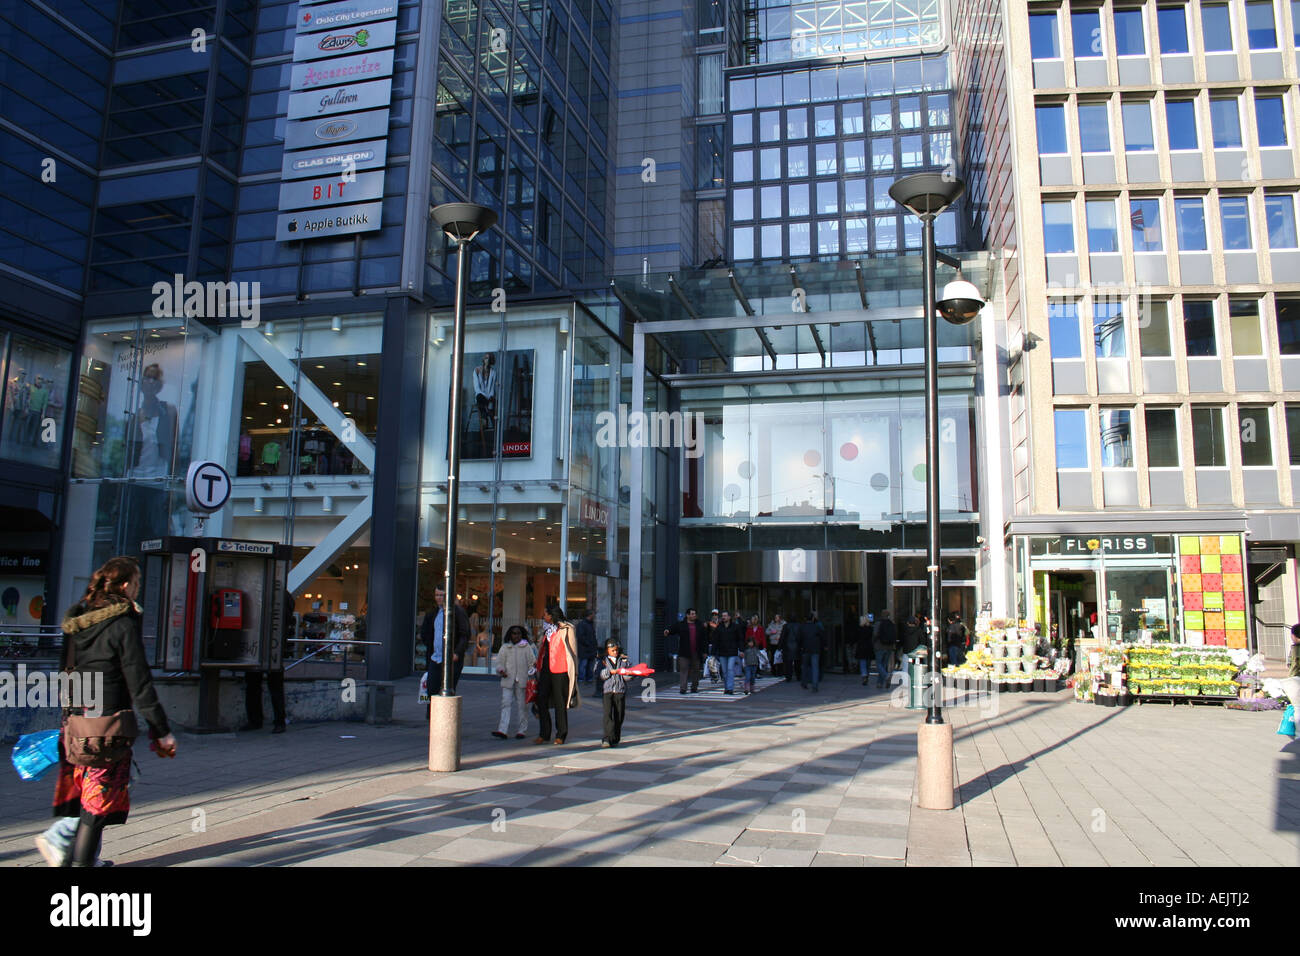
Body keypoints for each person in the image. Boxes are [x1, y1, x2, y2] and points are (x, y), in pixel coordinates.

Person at [46, 556, 177, 867]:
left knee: (85, 794)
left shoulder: (77, 618)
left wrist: (69, 715)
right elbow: (139, 680)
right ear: (126, 585)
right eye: (138, 583)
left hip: (77, 722)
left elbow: (66, 670)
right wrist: (161, 730)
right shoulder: (123, 623)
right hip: (109, 726)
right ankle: (81, 866)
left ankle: (80, 858)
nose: (139, 589)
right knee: (97, 803)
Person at [243, 587, 292, 734]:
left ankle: (256, 719)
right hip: (273, 646)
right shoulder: (284, 596)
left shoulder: (257, 594)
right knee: (274, 686)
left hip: (258, 645)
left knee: (254, 685)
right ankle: (279, 720)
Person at [422, 585, 471, 718]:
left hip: (451, 659)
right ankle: (432, 716)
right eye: (437, 595)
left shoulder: (457, 612)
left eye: (442, 595)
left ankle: (446, 717)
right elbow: (426, 633)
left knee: (448, 688)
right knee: (431, 687)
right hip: (435, 657)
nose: (439, 598)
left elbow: (464, 634)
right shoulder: (433, 613)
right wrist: (429, 647)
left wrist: (457, 652)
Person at [534, 603, 580, 745]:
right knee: (541, 698)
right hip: (546, 668)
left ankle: (561, 734)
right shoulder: (545, 630)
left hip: (561, 668)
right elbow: (541, 648)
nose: (543, 616)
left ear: (552, 615)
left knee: (560, 702)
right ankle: (544, 732)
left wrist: (573, 671)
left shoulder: (567, 629)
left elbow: (572, 651)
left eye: (546, 614)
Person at [492, 625, 535, 740]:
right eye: (514, 633)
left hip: (522, 681)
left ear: (522, 635)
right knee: (505, 704)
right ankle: (502, 729)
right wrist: (501, 670)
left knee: (522, 706)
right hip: (508, 680)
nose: (516, 636)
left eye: (519, 633)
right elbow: (500, 663)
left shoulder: (526, 647)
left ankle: (522, 730)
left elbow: (532, 662)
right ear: (510, 635)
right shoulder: (505, 648)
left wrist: (531, 673)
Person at [598, 638, 631, 747]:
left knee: (619, 715)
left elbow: (627, 677)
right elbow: (600, 675)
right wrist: (609, 672)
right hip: (608, 691)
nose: (615, 652)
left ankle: (615, 738)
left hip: (620, 690)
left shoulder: (623, 660)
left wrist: (627, 670)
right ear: (607, 650)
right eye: (612, 650)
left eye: (616, 650)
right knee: (608, 715)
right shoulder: (603, 661)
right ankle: (607, 738)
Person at [664, 608, 704, 694]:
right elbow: (673, 629)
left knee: (696, 670)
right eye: (692, 614)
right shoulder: (682, 624)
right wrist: (668, 631)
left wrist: (704, 651)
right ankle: (683, 688)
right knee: (683, 669)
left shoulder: (699, 624)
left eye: (695, 614)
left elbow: (704, 639)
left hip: (696, 651)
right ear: (688, 615)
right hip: (684, 651)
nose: (694, 616)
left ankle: (694, 687)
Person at [712, 610, 743, 694]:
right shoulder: (719, 627)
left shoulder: (735, 627)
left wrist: (741, 649)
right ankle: (726, 687)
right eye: (722, 616)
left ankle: (730, 688)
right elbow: (715, 640)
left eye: (725, 616)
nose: (723, 617)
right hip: (722, 652)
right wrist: (713, 652)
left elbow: (740, 639)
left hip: (732, 651)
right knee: (724, 671)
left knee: (730, 669)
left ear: (729, 617)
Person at [576, 609, 599, 696]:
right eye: (593, 614)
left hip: (589, 648)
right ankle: (582, 678)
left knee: (588, 664)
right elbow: (581, 637)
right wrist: (589, 644)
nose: (594, 616)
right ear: (589, 615)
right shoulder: (583, 625)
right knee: (584, 664)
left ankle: (588, 678)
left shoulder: (589, 624)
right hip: (585, 649)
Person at [799, 612, 824, 692]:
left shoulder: (803, 627)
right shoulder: (817, 627)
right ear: (813, 618)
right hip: (815, 649)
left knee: (804, 666)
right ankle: (815, 685)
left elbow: (799, 638)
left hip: (805, 649)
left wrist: (801, 646)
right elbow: (822, 637)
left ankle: (804, 682)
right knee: (815, 667)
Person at [873, 610, 897, 689]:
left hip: (880, 646)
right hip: (889, 646)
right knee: (884, 664)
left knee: (879, 664)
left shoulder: (878, 623)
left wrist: (873, 642)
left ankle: (886, 676)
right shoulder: (892, 624)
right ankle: (880, 683)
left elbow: (875, 634)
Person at [854, 614, 874, 685]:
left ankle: (864, 675)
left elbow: (856, 638)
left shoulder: (859, 628)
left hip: (861, 647)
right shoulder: (870, 628)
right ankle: (867, 675)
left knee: (862, 663)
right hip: (869, 647)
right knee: (868, 663)